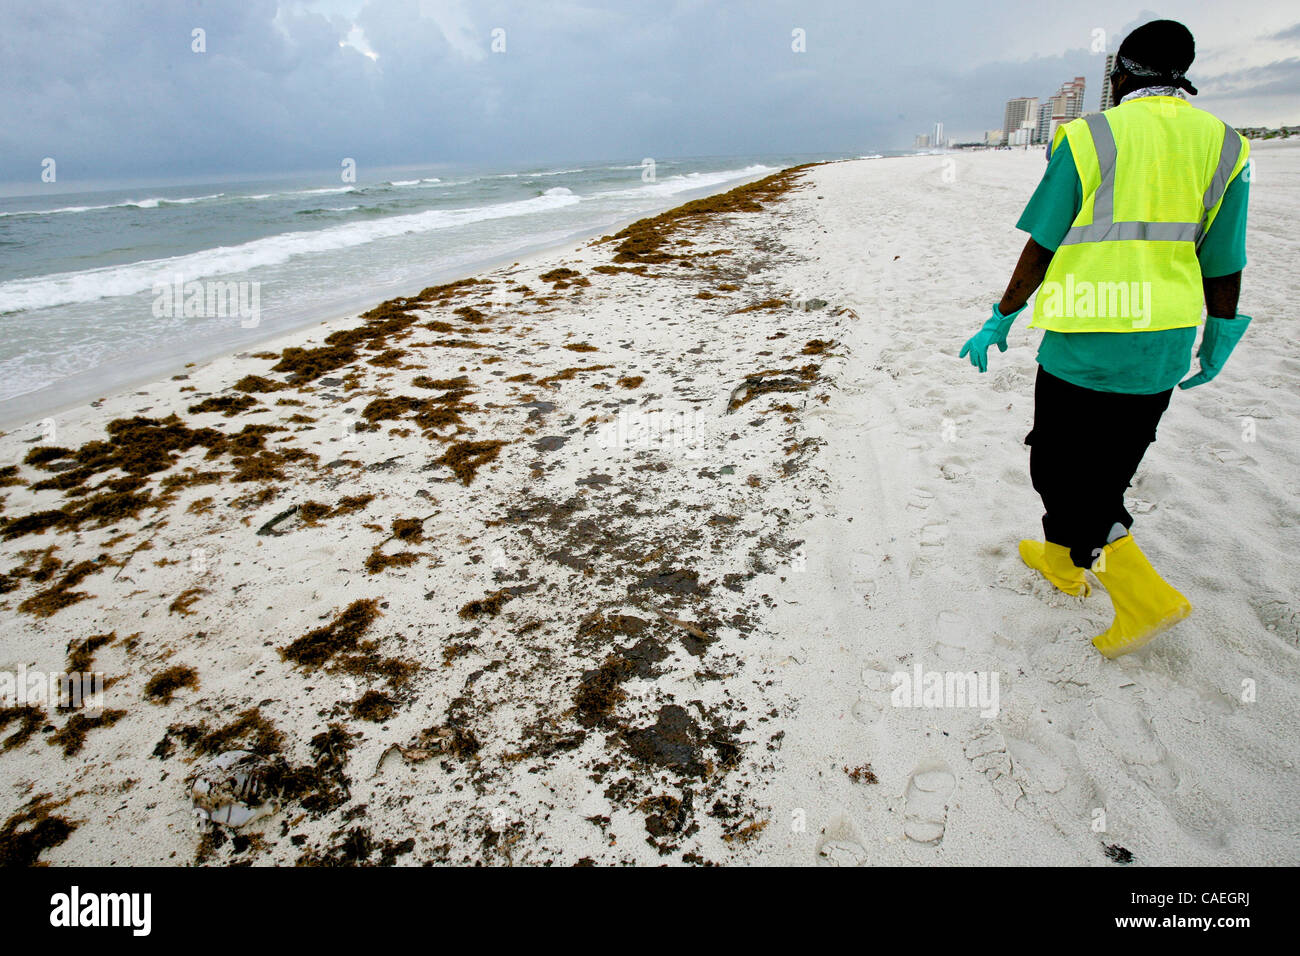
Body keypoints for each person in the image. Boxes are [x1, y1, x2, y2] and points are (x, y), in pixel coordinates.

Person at [959, 19, 1252, 658]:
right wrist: (1220, 331)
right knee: (1113, 463)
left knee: (1059, 468)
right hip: (1167, 339)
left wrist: (1001, 316)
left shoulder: (1087, 136)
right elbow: (1224, 258)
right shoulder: (1228, 145)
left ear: (1119, 73)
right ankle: (1065, 563)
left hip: (1087, 336)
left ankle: (1142, 594)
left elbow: (1043, 243)